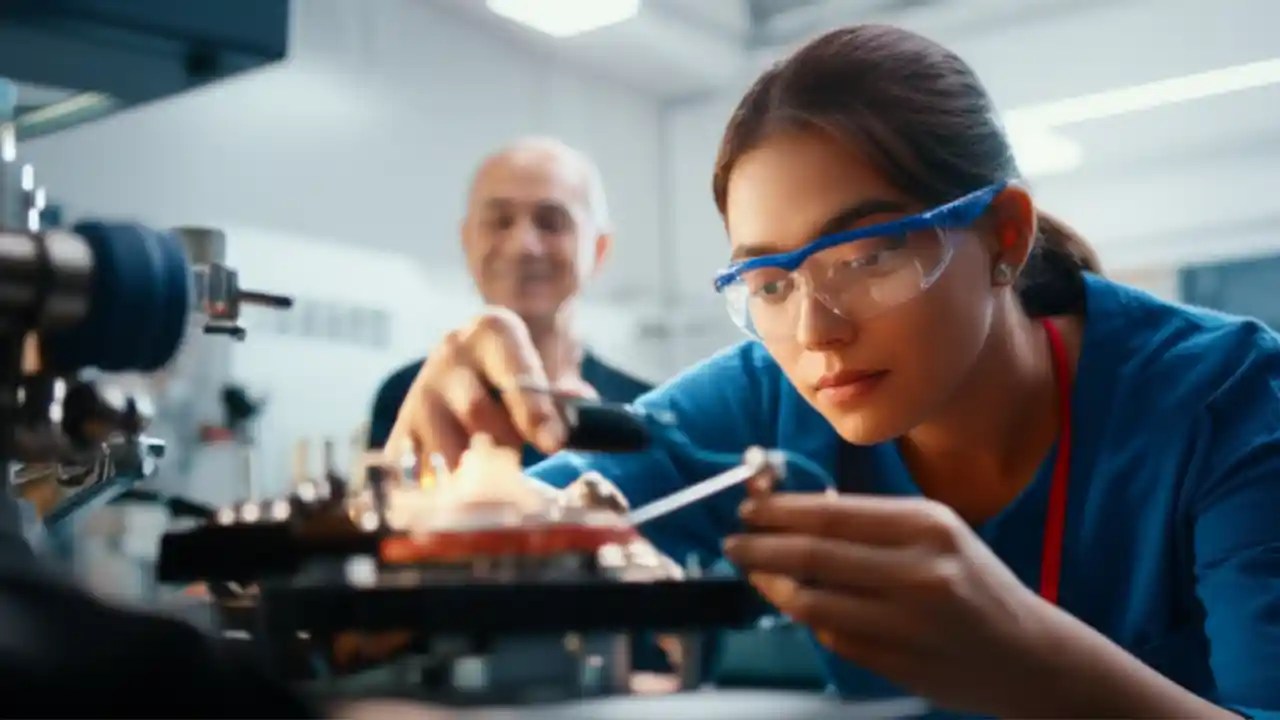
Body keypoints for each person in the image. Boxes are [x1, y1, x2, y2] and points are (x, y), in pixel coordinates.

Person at [382, 24, 1280, 719]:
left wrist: (1029, 659)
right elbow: (509, 525)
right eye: (769, 281)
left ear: (1005, 235)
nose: (817, 331)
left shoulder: (1221, 397)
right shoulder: (761, 402)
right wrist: (464, 477)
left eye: (870, 255)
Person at [368, 136, 651, 462]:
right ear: (467, 241)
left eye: (551, 223)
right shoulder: (409, 394)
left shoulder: (643, 408)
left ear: (599, 249)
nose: (523, 246)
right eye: (499, 222)